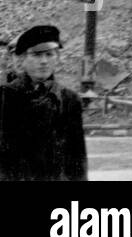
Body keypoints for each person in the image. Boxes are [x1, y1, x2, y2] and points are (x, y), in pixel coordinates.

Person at [0, 25, 87, 181]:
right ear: (22, 59)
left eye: (49, 54)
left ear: (57, 58)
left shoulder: (69, 100)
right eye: (37, 55)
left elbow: (76, 157)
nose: (44, 61)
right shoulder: (5, 97)